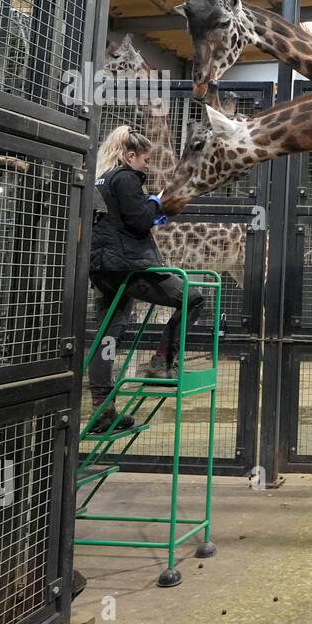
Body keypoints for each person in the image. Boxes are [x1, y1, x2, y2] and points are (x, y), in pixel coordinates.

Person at [86, 126, 205, 434]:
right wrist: (156, 202)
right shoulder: (124, 177)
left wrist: (149, 210)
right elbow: (139, 221)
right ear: (129, 155)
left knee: (107, 336)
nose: (146, 166)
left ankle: (102, 410)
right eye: (144, 160)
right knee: (193, 297)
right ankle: (161, 360)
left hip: (102, 270)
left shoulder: (99, 177)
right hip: (128, 267)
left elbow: (120, 219)